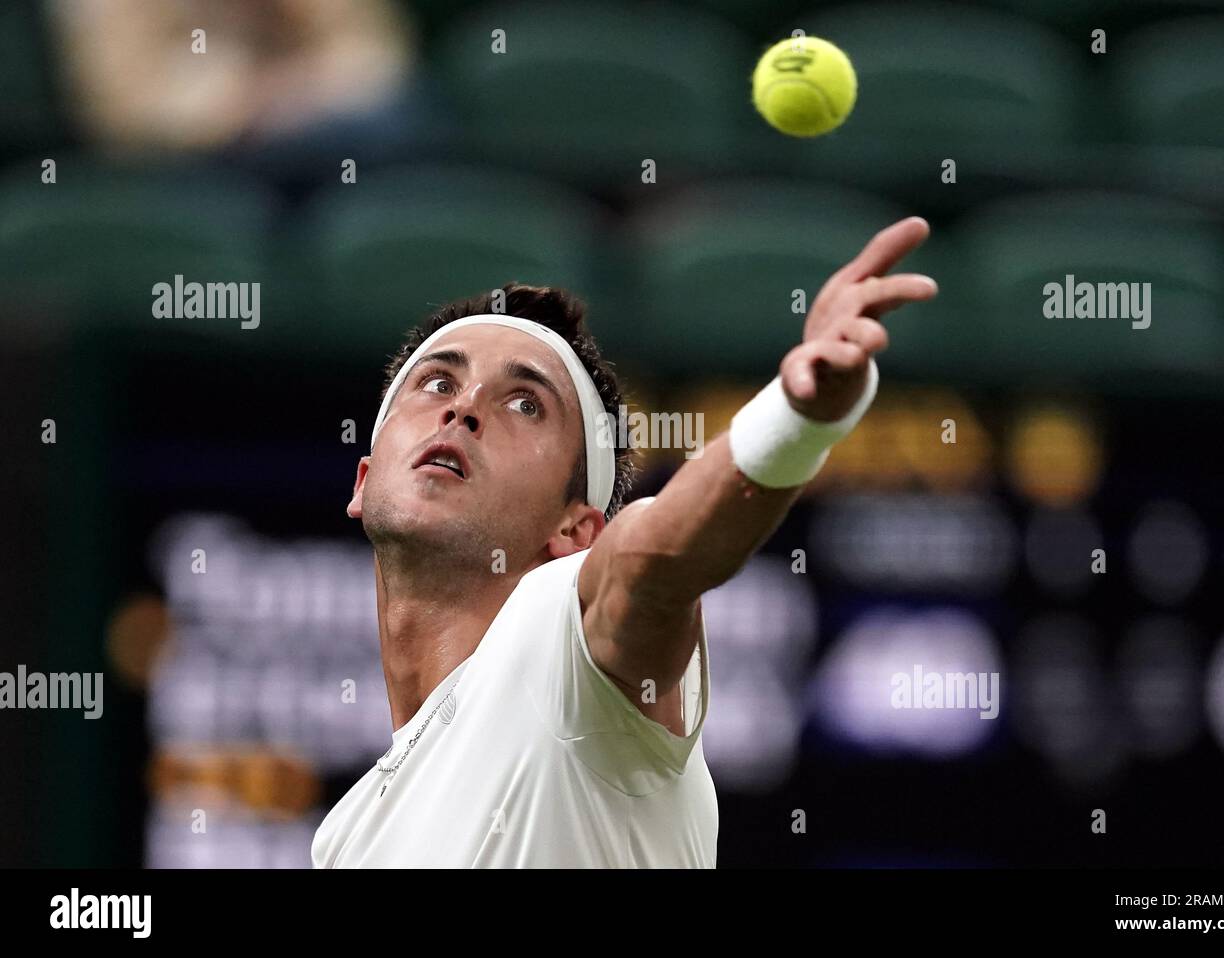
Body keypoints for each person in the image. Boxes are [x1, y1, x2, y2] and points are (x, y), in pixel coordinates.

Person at [311, 217, 937, 867]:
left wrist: (795, 422)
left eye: (526, 403)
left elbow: (653, 560)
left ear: (575, 532)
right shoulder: (343, 837)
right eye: (438, 381)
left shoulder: (559, 635)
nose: (463, 407)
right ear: (363, 481)